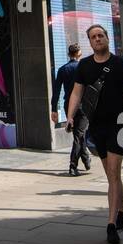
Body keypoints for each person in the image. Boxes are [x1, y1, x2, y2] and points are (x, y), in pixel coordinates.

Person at [66, 24, 123, 244]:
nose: (98, 39)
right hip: (97, 125)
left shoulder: (121, 65)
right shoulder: (84, 65)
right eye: (93, 37)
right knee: (111, 175)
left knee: (113, 173)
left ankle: (111, 224)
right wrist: (70, 116)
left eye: (101, 35)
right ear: (90, 42)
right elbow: (76, 92)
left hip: (120, 124)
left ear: (107, 38)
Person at [52, 43, 92, 176]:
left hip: (68, 105)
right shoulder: (84, 68)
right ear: (79, 54)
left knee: (79, 134)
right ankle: (73, 166)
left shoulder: (63, 69)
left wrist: (54, 109)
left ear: (69, 54)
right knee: (79, 135)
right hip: (82, 105)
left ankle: (85, 158)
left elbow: (56, 91)